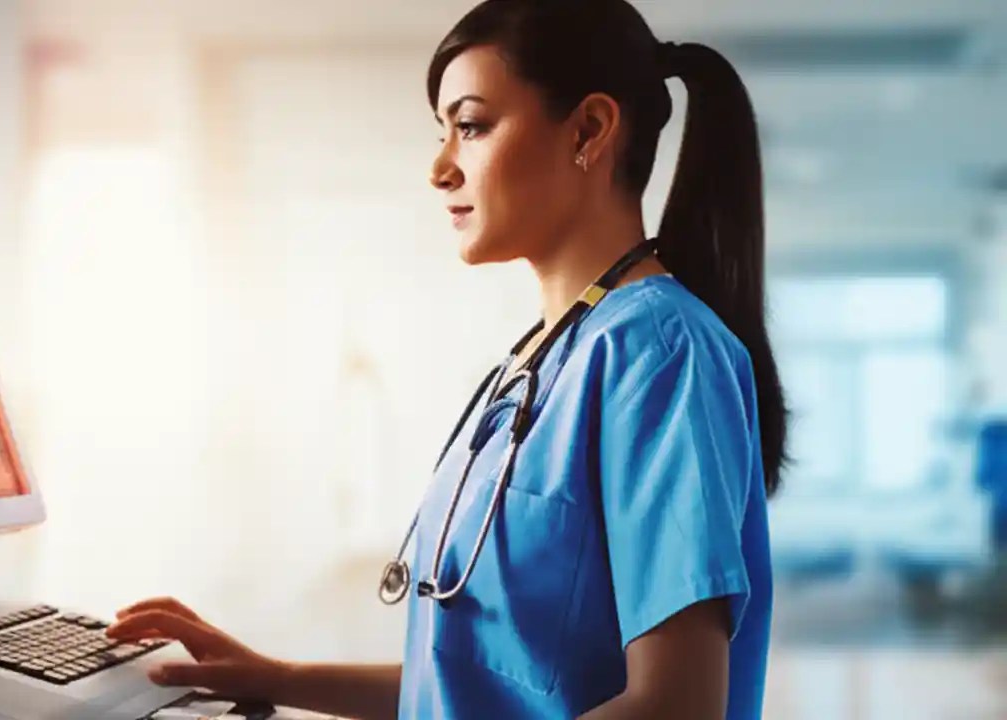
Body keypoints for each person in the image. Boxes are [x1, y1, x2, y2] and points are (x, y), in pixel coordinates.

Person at [106, 0, 787, 717]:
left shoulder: (656, 350)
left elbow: (676, 706)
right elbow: (476, 686)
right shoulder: (539, 359)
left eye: (470, 126)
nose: (439, 168)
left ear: (588, 130)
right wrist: (278, 677)